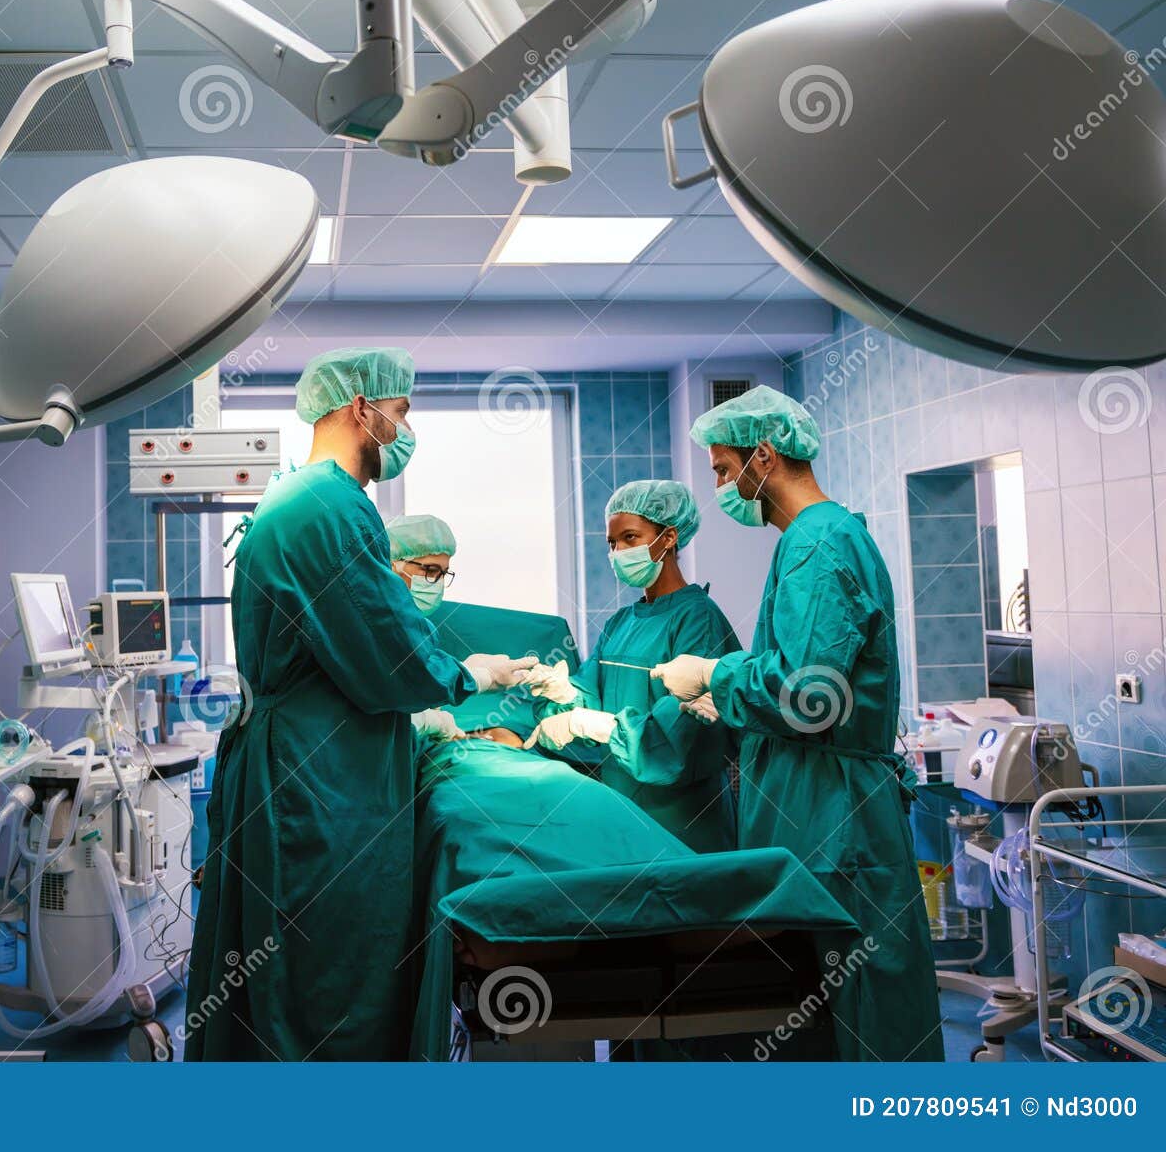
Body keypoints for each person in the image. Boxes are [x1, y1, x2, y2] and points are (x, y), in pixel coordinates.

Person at [185, 347, 536, 1061]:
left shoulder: (303, 498)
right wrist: (466, 674)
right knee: (327, 985)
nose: (404, 430)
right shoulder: (330, 508)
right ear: (360, 408)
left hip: (312, 769)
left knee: (298, 976)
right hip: (320, 789)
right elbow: (389, 656)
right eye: (400, 412)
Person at [651, 386, 943, 1061]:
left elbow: (810, 694)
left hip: (832, 814)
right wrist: (725, 698)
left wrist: (717, 675)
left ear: (764, 454)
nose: (722, 487)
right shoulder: (814, 540)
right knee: (812, 1004)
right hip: (816, 802)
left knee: (855, 1015)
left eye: (724, 470)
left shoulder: (819, 542)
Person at [523, 480, 741, 852]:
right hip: (622, 805)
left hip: (683, 820)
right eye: (612, 543)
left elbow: (685, 735)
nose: (618, 552)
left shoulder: (697, 618)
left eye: (629, 538)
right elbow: (593, 692)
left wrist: (600, 725)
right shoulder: (621, 622)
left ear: (668, 537)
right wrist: (565, 694)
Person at [386, 513, 469, 742]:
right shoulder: (376, 623)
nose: (438, 582)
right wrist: (432, 722)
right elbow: (379, 704)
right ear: (394, 564)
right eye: (431, 571)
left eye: (443, 573)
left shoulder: (419, 627)